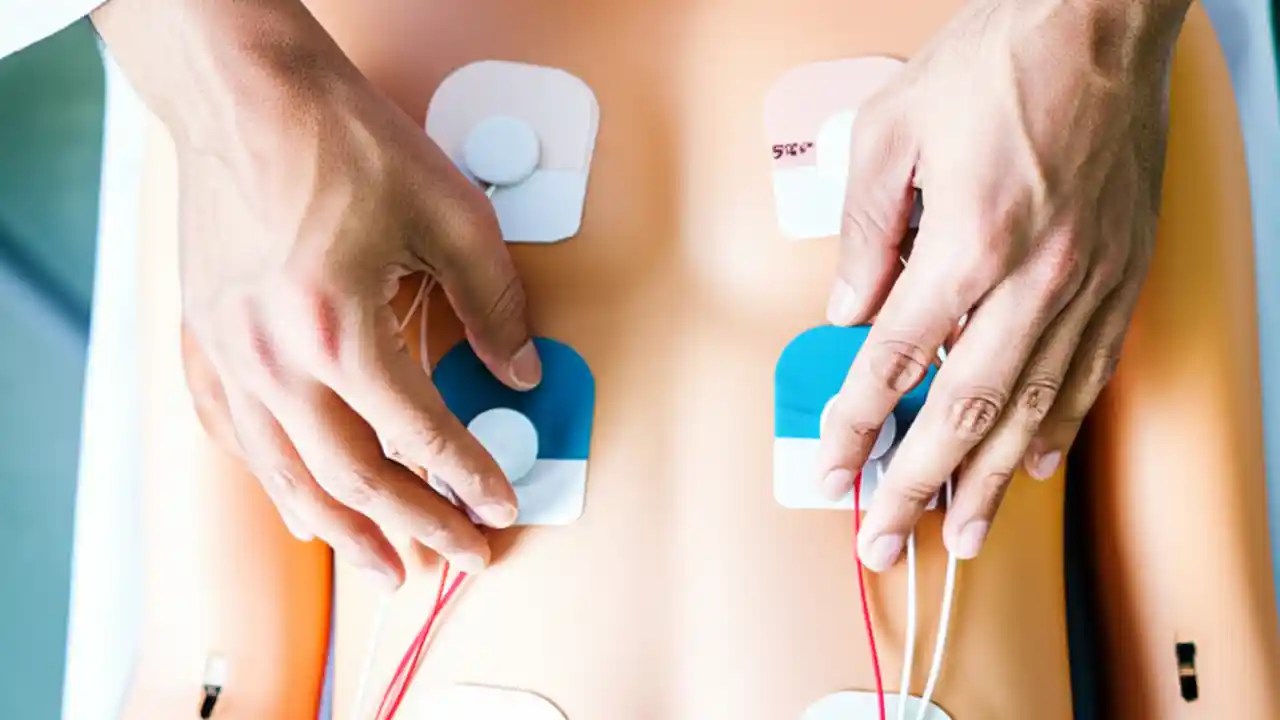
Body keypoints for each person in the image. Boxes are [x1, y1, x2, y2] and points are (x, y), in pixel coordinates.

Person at [2, 0, 1187, 585]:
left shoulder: (1053, 93)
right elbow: (215, 671)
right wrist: (230, 91)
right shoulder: (289, 118)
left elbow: (1195, 644)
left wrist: (1101, 30)